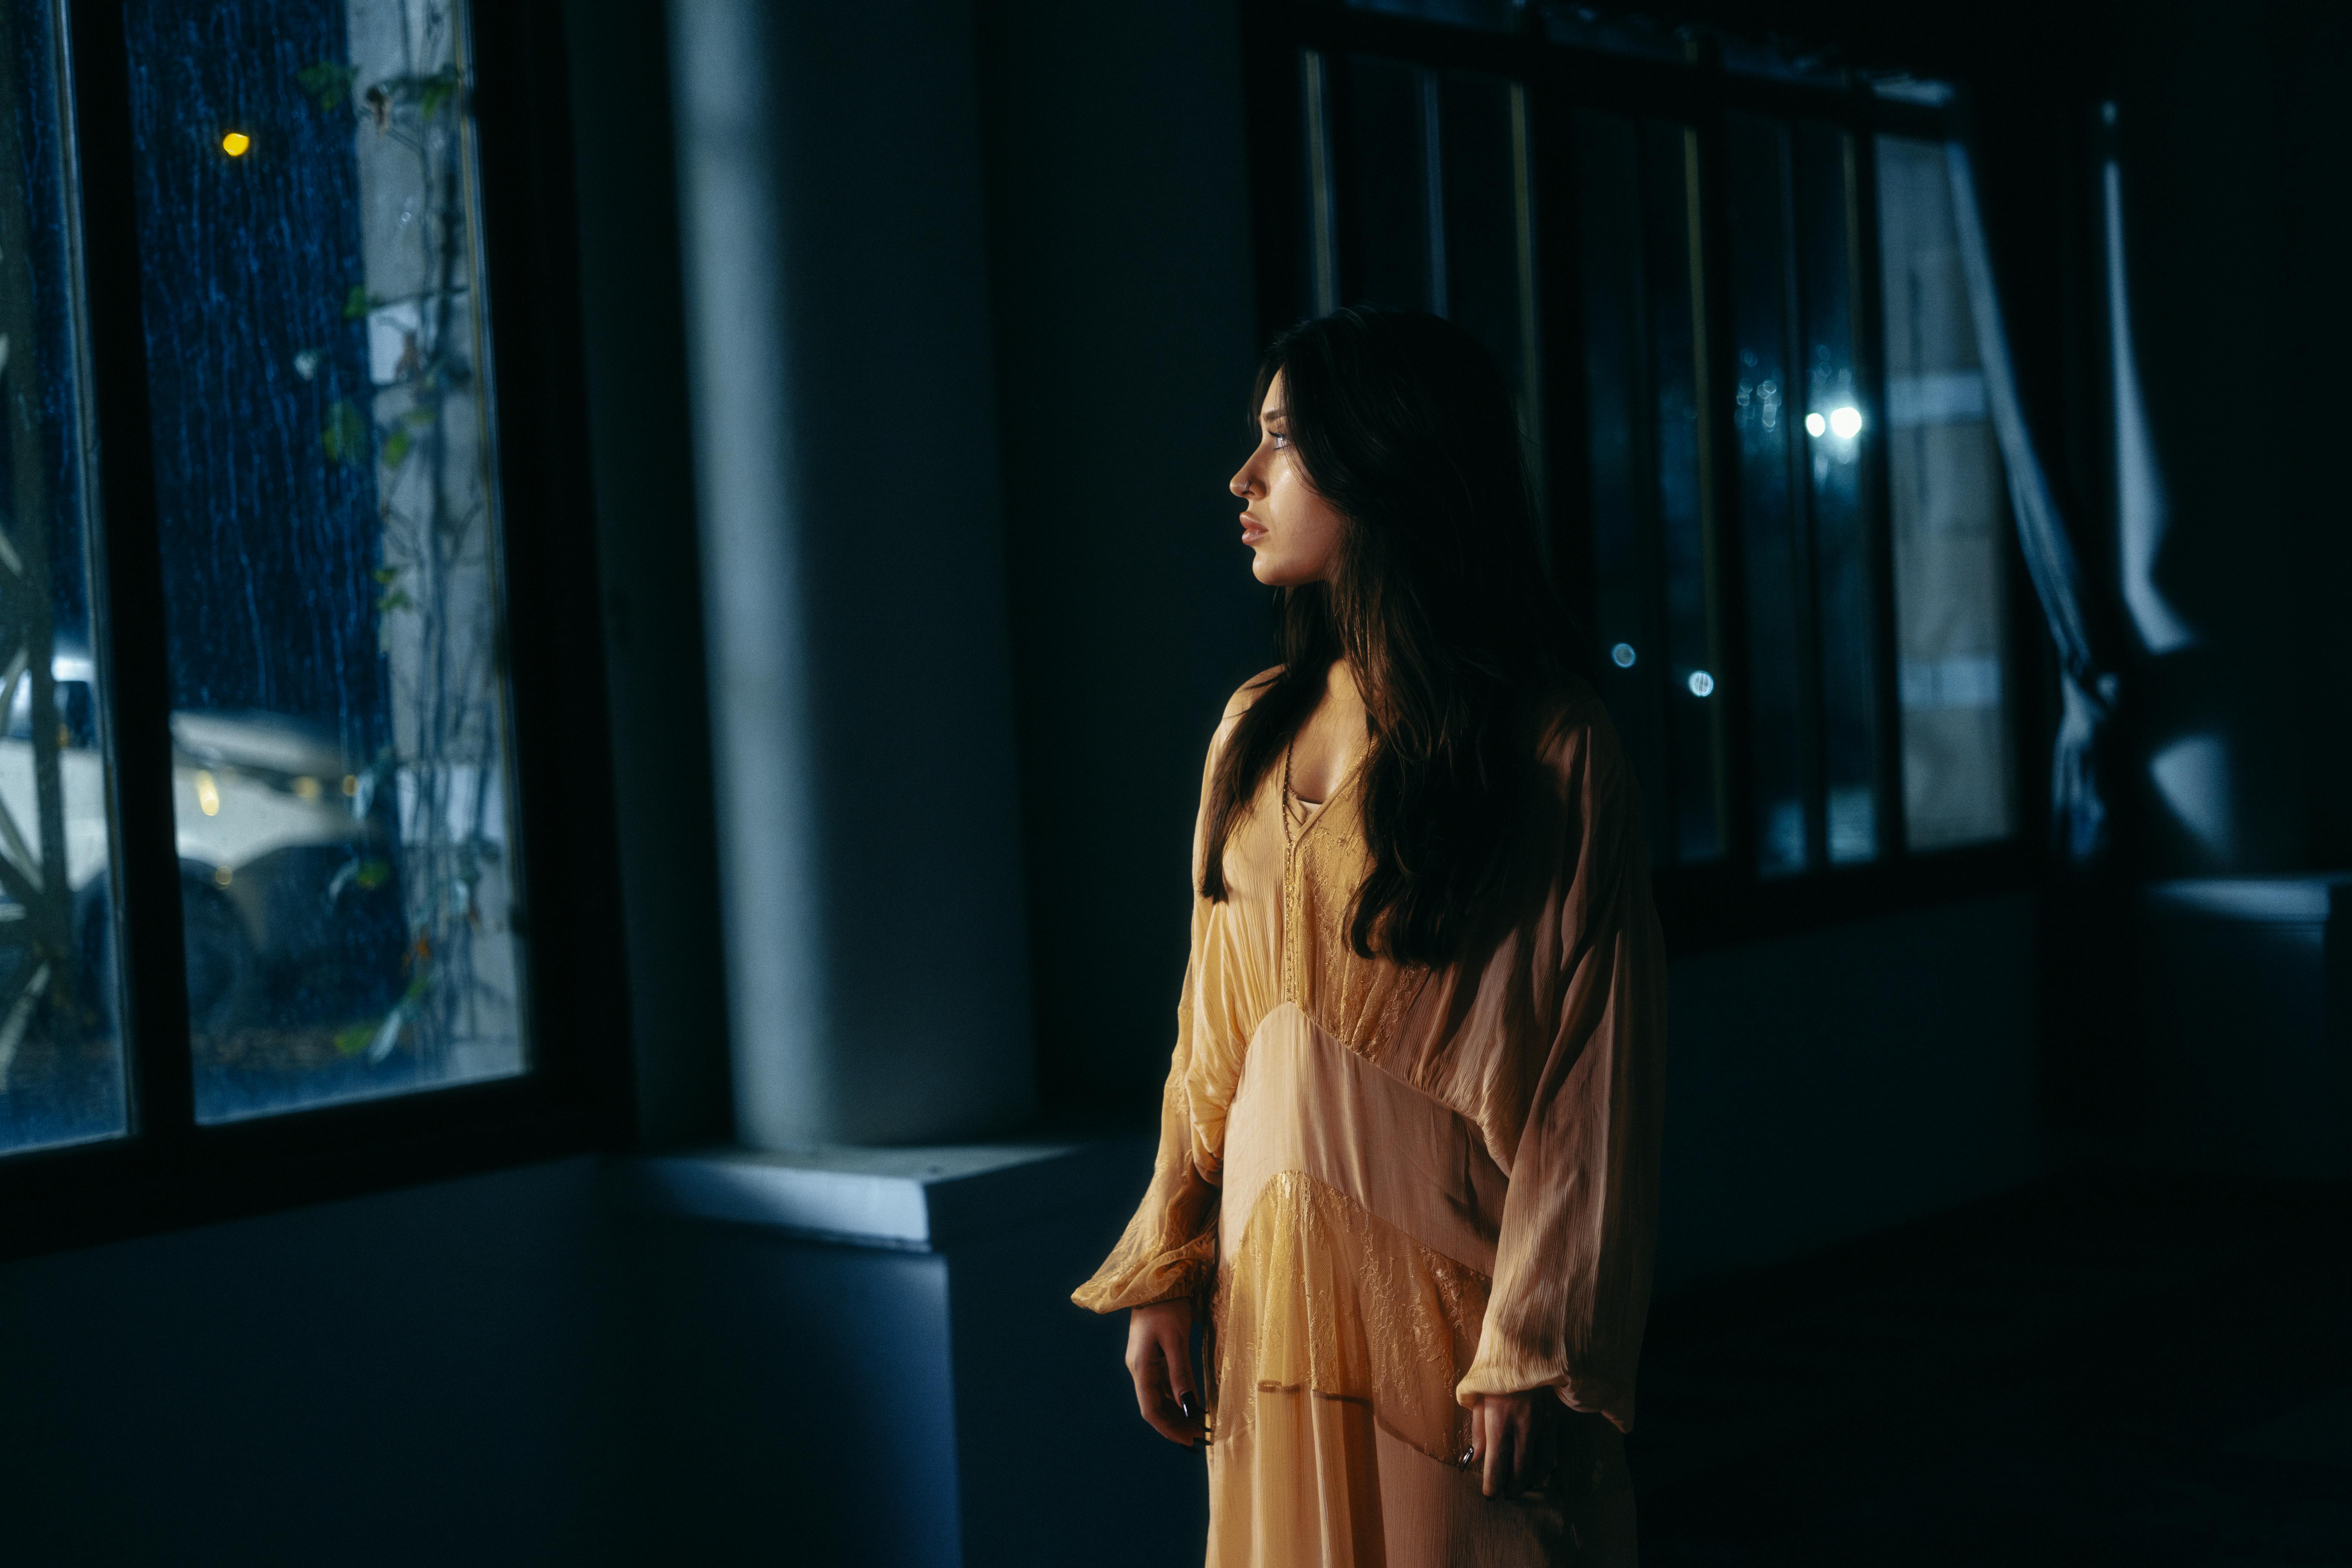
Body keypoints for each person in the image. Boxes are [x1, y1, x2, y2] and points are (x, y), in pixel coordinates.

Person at [1072, 306, 1666, 1567]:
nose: (1245, 478)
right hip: (1273, 1300)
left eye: (1283, 442)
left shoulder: (1550, 749)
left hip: (1456, 1319)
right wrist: (1171, 1257)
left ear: (1388, 460)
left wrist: (1535, 1343)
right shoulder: (1251, 729)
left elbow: (1591, 1082)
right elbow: (1210, 1036)